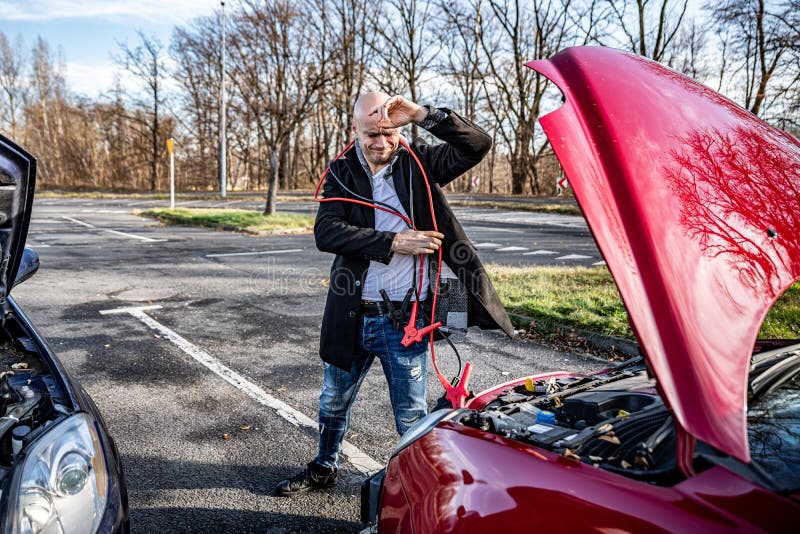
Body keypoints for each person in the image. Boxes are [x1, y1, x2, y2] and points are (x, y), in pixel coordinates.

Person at [275, 92, 513, 496]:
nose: (380, 142)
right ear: (355, 130)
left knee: (411, 413)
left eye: (388, 132)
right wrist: (392, 242)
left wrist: (423, 114)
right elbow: (326, 232)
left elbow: (477, 144)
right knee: (333, 400)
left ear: (399, 129)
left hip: (406, 321)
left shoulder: (420, 163)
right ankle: (323, 466)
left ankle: (418, 490)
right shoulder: (340, 173)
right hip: (352, 315)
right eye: (371, 134)